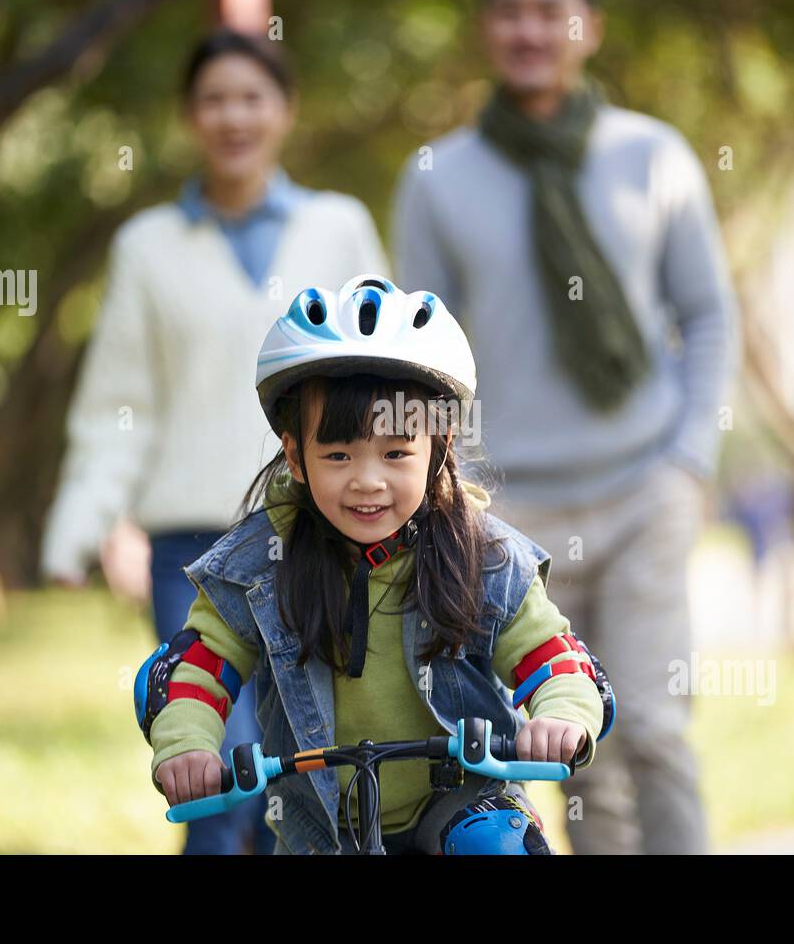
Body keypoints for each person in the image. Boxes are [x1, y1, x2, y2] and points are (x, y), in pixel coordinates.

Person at [392, 0, 738, 853]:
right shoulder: (438, 175)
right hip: (510, 518)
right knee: (566, 750)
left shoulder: (654, 156)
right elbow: (418, 351)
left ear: (591, 27)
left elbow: (708, 316)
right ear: (483, 29)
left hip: (642, 489)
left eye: (552, 9)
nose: (530, 30)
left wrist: (689, 461)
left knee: (654, 731)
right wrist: (450, 497)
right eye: (509, 11)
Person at [41, 30, 388, 855]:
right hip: (196, 550)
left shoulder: (339, 227)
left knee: (304, 772)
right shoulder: (147, 247)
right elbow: (117, 406)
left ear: (285, 111)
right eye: (214, 100)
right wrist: (78, 526)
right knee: (220, 771)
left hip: (320, 538)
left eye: (252, 97)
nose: (234, 116)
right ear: (190, 117)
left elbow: (384, 383)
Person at [138, 275, 612, 854]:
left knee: (495, 844)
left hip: (465, 800)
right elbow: (197, 668)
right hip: (322, 821)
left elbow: (556, 659)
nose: (367, 481)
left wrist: (561, 715)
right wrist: (186, 745)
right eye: (338, 454)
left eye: (395, 453)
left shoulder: (483, 558)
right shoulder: (260, 565)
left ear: (438, 445)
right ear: (294, 454)